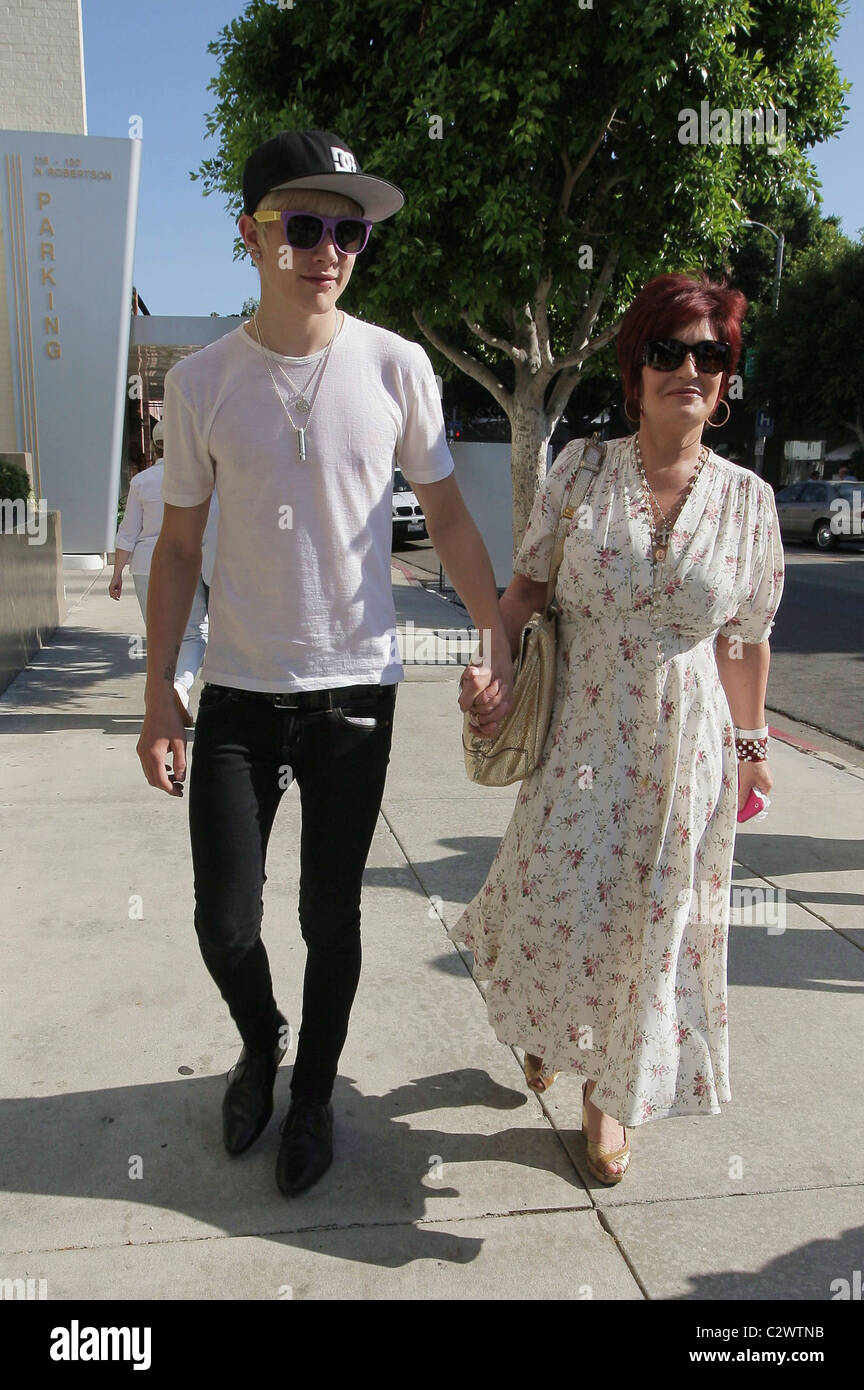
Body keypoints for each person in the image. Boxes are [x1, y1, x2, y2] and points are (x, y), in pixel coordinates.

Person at [135, 129, 513, 1197]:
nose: (327, 249)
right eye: (302, 225)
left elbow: (445, 515)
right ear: (250, 237)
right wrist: (160, 689)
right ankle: (263, 1038)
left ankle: (312, 1098)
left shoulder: (395, 365)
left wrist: (495, 635)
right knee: (226, 919)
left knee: (328, 915)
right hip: (242, 693)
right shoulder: (202, 382)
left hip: (355, 688)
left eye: (347, 230)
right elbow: (174, 548)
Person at [455, 272, 784, 1185]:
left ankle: (609, 1099)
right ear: (635, 370)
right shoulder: (582, 471)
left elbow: (746, 644)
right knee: (558, 905)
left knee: (650, 925)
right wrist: (498, 663)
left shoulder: (750, 503)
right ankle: (545, 1027)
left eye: (710, 355)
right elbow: (524, 593)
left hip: (688, 753)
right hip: (581, 740)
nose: (690, 368)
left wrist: (752, 751)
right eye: (669, 351)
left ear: (725, 381)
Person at [111, 421, 218, 725]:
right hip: (186, 563)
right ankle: (180, 688)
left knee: (160, 637)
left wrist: (117, 573)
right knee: (195, 633)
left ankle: (159, 701)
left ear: (156, 446)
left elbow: (128, 532)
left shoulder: (142, 481)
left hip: (145, 566)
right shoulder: (201, 481)